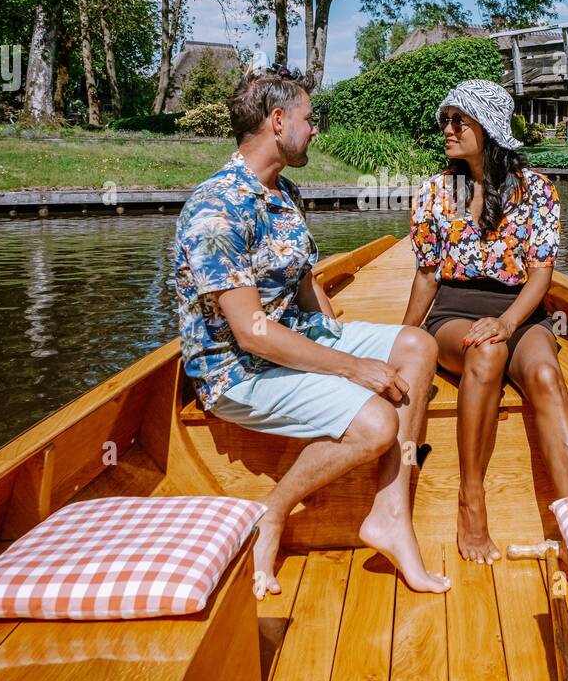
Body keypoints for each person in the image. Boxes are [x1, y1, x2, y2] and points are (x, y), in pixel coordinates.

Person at [174, 65, 449, 598]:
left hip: (294, 334)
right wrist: (352, 367)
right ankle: (272, 513)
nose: (315, 128)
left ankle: (391, 515)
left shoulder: (284, 191)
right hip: (239, 369)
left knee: (417, 343)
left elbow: (299, 277)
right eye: (308, 117)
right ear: (278, 121)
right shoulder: (216, 209)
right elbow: (252, 333)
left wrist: (332, 330)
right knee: (374, 425)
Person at [402, 79, 568, 565]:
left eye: (459, 119)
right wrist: (403, 339)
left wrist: (506, 320)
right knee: (486, 351)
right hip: (453, 311)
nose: (448, 127)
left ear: (489, 127)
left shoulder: (538, 191)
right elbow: (426, 276)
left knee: (545, 374)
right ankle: (471, 502)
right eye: (445, 119)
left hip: (520, 310)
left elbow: (541, 276)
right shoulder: (436, 193)